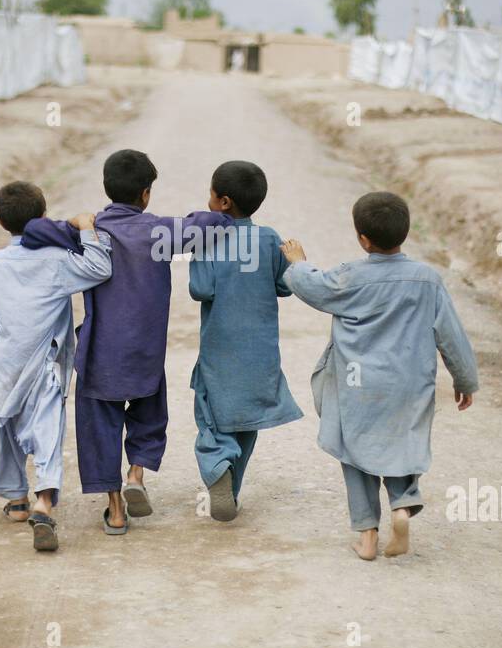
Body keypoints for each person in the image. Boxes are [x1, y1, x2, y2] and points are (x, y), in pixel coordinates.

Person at [22, 150, 229, 533]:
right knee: (149, 417)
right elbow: (213, 223)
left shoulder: (92, 231)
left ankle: (116, 510)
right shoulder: (159, 232)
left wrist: (77, 223)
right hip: (145, 352)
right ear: (146, 194)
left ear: (106, 188)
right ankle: (136, 474)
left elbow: (33, 230)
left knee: (99, 429)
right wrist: (210, 209)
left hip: (99, 353)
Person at [280, 191, 478, 560]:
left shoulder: (351, 276)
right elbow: (452, 335)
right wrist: (465, 380)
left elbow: (312, 287)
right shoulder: (427, 280)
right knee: (403, 442)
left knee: (354, 448)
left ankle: (368, 534)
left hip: (357, 384)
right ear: (405, 232)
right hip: (408, 385)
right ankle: (402, 504)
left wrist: (298, 262)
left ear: (363, 239)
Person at [0, 181, 111, 551]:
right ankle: (44, 502)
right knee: (47, 430)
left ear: (1, 222)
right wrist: (87, 229)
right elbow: (99, 268)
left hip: (6, 363)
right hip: (45, 362)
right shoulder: (57, 259)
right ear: (44, 216)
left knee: (3, 431)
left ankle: (16, 500)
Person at [188, 160, 302, 520]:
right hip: (261, 354)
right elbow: (285, 286)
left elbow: (201, 289)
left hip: (219, 350)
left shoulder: (208, 239)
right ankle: (231, 491)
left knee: (211, 415)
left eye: (210, 194)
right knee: (247, 422)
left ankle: (217, 465)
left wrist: (196, 255)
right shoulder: (269, 238)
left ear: (223, 202)